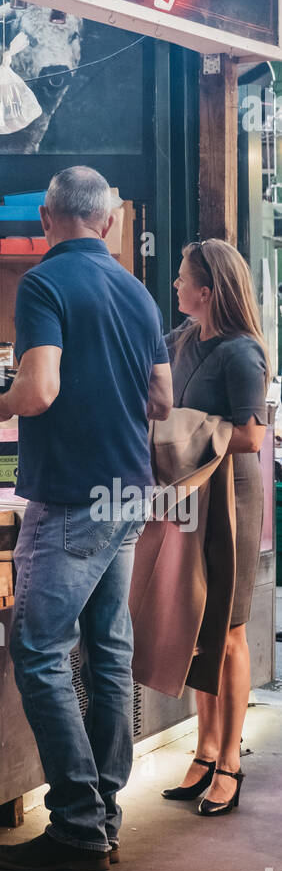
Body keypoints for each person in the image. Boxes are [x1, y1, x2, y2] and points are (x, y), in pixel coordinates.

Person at [0, 166, 173, 871]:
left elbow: (39, 389)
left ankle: (79, 824)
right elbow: (161, 400)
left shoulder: (44, 283)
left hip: (68, 498)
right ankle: (105, 813)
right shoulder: (139, 292)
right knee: (108, 653)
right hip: (129, 495)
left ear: (47, 222)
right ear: (111, 223)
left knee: (39, 653)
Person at [159, 239, 268, 816]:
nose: (175, 285)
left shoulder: (241, 352)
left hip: (231, 498)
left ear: (208, 290)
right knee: (199, 624)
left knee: (228, 628)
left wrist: (187, 427)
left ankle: (230, 761)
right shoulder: (178, 342)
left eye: (183, 279)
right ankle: (201, 750)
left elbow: (252, 437)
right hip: (191, 496)